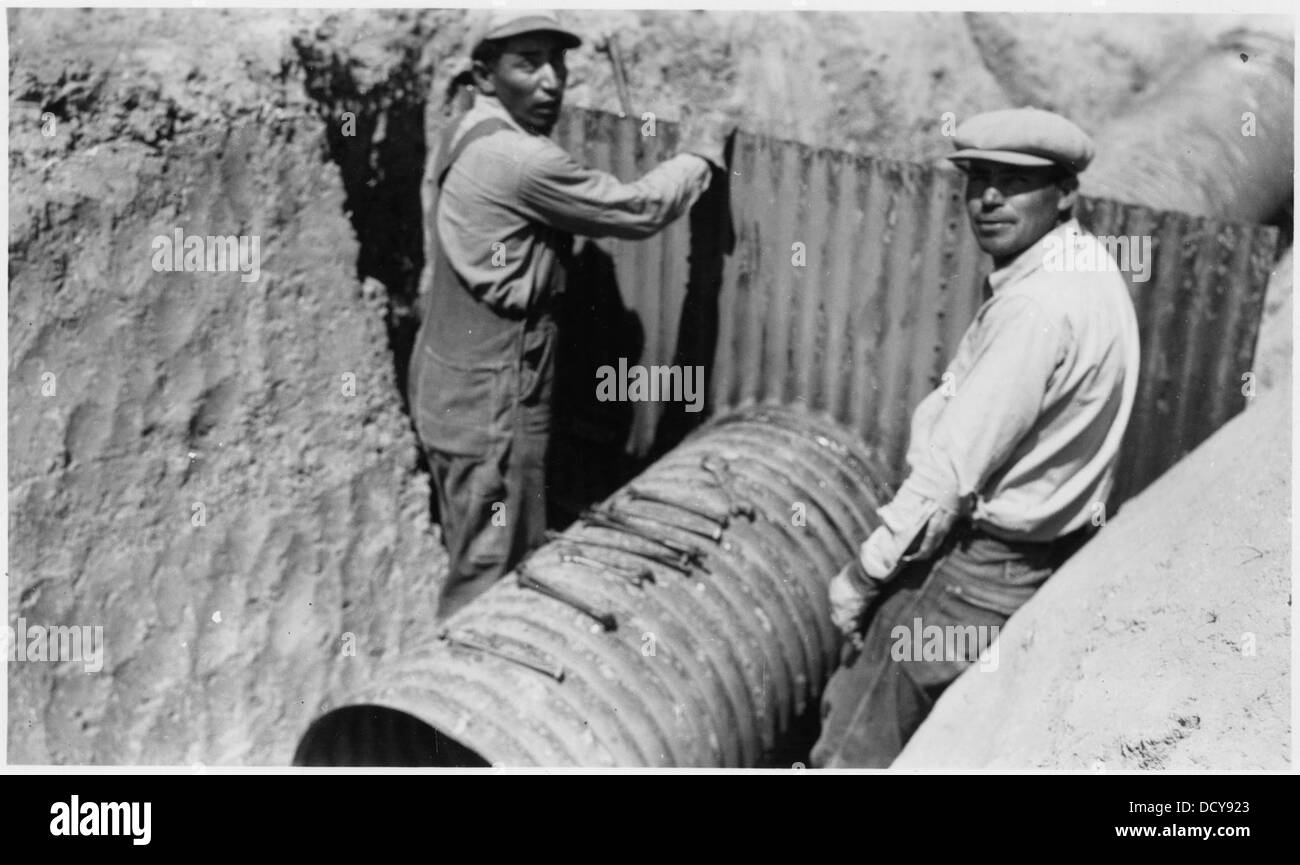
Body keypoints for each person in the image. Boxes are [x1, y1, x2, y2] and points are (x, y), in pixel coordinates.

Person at [811, 107, 1141, 768]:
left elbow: (946, 478)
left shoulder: (1035, 308)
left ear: (1064, 192)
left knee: (851, 741)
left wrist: (862, 576)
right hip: (1038, 563)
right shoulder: (1091, 270)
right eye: (977, 178)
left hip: (974, 577)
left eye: (1013, 181)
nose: (988, 198)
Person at [408, 9, 731, 620]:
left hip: (449, 376)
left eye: (557, 62)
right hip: (493, 394)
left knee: (480, 542)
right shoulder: (521, 160)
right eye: (528, 63)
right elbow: (635, 210)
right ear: (484, 73)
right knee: (490, 567)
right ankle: (463, 696)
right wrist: (700, 157)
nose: (551, 81)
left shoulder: (463, 131)